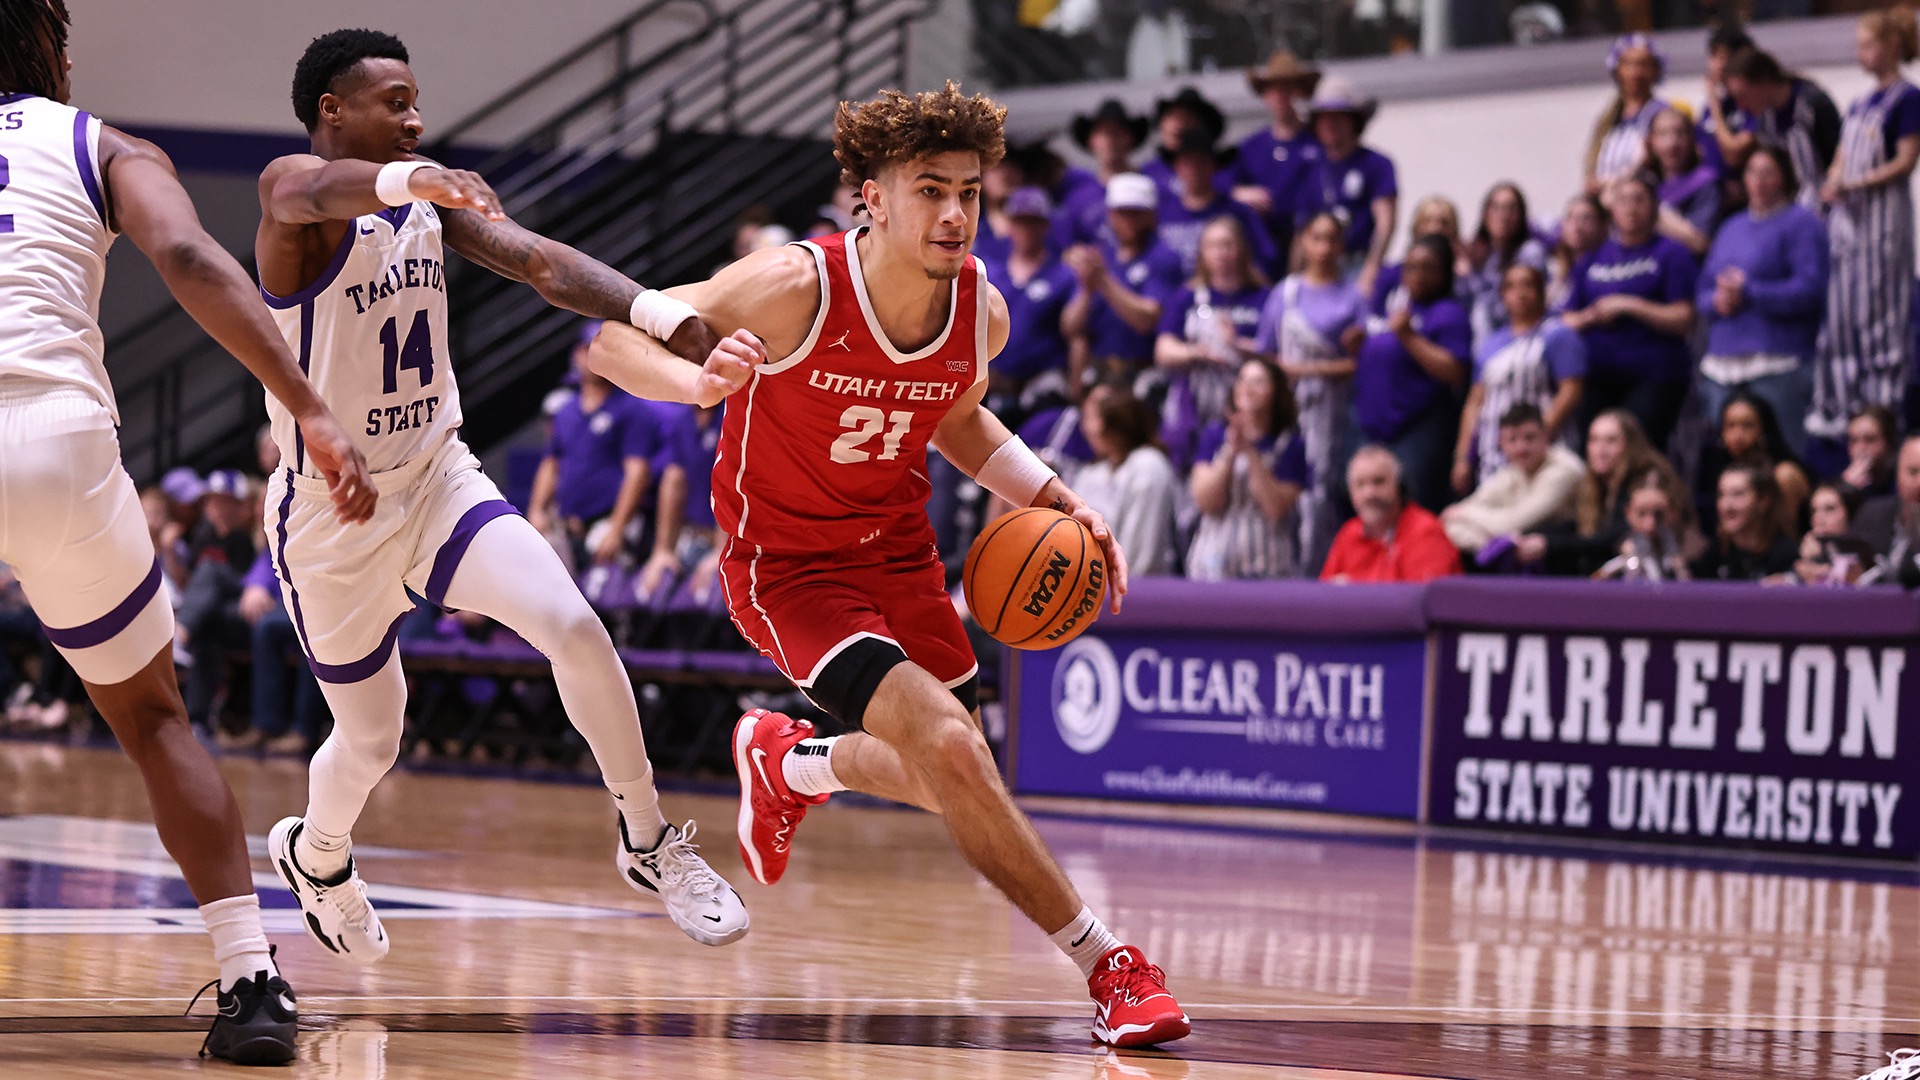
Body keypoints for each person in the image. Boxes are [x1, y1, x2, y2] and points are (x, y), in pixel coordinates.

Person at [588, 82, 1189, 1049]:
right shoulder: (790, 284)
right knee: (953, 754)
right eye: (929, 190)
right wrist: (694, 380)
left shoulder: (977, 312)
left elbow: (953, 417)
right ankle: (1109, 965)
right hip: (788, 568)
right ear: (871, 196)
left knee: (954, 766)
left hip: (900, 553)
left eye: (969, 192)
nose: (955, 214)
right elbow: (612, 341)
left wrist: (1049, 494)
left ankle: (792, 762)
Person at [253, 28, 753, 964]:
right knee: (372, 741)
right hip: (334, 514)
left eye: (415, 101)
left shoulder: (425, 209)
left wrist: (668, 320)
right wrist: (414, 181)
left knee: (572, 624)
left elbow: (538, 262)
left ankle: (647, 840)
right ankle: (317, 858)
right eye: (394, 101)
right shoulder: (295, 195)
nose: (416, 118)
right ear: (332, 109)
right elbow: (306, 189)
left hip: (437, 475)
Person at [0, 1, 383, 1062]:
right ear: (55, 53)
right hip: (57, 438)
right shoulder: (102, 144)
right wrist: (306, 402)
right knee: (155, 719)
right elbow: (190, 258)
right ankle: (252, 982)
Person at [1809, 9, 1920, 471]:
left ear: (1893, 46)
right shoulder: (1858, 103)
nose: (1863, 55)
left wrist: (1858, 184)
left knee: (1881, 319)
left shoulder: (1907, 98)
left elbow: (1905, 160)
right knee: (1843, 321)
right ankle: (1845, 419)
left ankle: (1884, 418)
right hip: (1849, 226)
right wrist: (1833, 183)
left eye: (1869, 46)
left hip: (1882, 223)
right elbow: (1838, 157)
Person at [1695, 144, 1829, 457]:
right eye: (1752, 172)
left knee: (1784, 455)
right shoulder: (1731, 227)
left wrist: (1751, 291)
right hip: (1723, 364)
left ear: (1784, 177)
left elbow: (1810, 290)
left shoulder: (1802, 223)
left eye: (1768, 172)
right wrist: (1718, 300)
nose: (1758, 180)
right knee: (1727, 461)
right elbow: (1701, 292)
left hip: (1777, 361)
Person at [1255, 212, 1366, 570]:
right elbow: (1267, 352)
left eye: (1331, 239)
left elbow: (1361, 362)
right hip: (1289, 405)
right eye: (1316, 238)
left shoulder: (1353, 297)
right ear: (1303, 241)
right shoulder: (1285, 292)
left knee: (1321, 490)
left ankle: (1317, 566)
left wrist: (1307, 369)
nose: (1323, 247)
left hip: (1332, 409)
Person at [1561, 174, 1698, 451]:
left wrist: (1630, 305)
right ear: (1612, 209)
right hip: (1598, 374)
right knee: (1594, 452)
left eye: (1640, 200)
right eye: (1623, 200)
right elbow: (1567, 319)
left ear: (1655, 207)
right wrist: (1591, 315)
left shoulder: (1672, 254)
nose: (1631, 208)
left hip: (1654, 374)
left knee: (1634, 450)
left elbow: (1684, 318)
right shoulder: (1593, 258)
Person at [527, 320, 664, 574]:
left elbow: (638, 473)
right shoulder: (566, 411)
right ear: (577, 354)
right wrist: (537, 510)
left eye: (606, 350)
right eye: (590, 348)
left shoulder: (631, 408)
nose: (596, 357)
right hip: (567, 527)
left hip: (609, 524)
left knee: (606, 603)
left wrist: (617, 528)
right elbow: (551, 464)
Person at [1351, 234, 1472, 512]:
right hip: (1372, 425)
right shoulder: (1391, 307)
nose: (1417, 274)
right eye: (1411, 266)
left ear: (1444, 272)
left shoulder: (1448, 313)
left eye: (1427, 267)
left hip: (1417, 427)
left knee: (1411, 507)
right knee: (1367, 510)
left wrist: (1409, 337)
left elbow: (1454, 371)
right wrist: (1357, 347)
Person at [1150, 215, 1270, 469]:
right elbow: (1164, 349)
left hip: (1248, 398)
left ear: (1242, 249)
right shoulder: (1188, 296)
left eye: (1228, 245)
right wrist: (1196, 352)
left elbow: (1275, 353)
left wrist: (1238, 345)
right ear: (1202, 253)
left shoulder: (1263, 296)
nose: (1221, 253)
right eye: (1213, 246)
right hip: (1196, 401)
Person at [1453, 265, 1586, 490]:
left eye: (1528, 286)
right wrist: (1463, 457)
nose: (1521, 293)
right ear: (1503, 295)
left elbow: (1571, 391)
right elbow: (1475, 403)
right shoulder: (1490, 344)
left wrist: (1537, 437)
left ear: (1542, 292)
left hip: (1546, 451)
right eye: (1512, 287)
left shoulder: (1558, 334)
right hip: (1493, 453)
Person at [1518, 409, 1686, 577]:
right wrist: (1536, 536)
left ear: (1631, 444)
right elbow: (1578, 527)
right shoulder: (1594, 484)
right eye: (1594, 440)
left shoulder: (1649, 481)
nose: (1601, 449)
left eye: (1611, 441)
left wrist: (1550, 544)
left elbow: (1617, 536)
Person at [1187, 358, 1310, 580]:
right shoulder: (1214, 435)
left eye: (1258, 382)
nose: (1247, 388)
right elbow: (1206, 501)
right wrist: (1232, 450)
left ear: (1275, 392)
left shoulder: (1290, 444)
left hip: (1268, 565)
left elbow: (1275, 508)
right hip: (1213, 563)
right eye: (1242, 380)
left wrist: (1250, 452)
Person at [1062, 172, 1184, 387]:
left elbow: (1147, 319)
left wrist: (1104, 281)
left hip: (1144, 372)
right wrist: (1086, 291)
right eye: (1121, 213)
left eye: (1135, 213)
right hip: (1100, 370)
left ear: (1151, 215)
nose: (1128, 221)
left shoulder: (1163, 257)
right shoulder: (1103, 255)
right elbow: (1071, 327)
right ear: (1110, 214)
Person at [1441, 403, 1584, 563]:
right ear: (1501, 444)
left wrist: (1464, 513)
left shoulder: (1565, 468)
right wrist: (1498, 544)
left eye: (1529, 437)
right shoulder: (1513, 471)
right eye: (1512, 439)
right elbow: (1449, 522)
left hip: (1568, 560)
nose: (1521, 448)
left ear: (1546, 436)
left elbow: (1511, 523)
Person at [1296, 76, 1396, 296]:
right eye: (1324, 118)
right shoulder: (1309, 166)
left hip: (1358, 264)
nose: (1330, 125)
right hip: (1318, 268)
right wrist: (1295, 276)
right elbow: (1301, 229)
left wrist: (1371, 269)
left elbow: (1385, 221)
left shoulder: (1376, 164)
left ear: (1354, 121)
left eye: (1338, 118)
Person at [1074, 384, 1181, 577]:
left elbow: (1143, 552)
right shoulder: (1091, 473)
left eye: (1092, 417)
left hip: (1140, 590)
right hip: (1094, 585)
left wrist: (1122, 584)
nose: (1087, 427)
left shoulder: (1148, 465)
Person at [990, 187, 1076, 422]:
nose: (1026, 230)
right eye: (1020, 222)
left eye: (1033, 222)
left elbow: (1075, 330)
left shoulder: (1063, 275)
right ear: (1009, 225)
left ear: (1046, 225)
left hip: (1043, 382)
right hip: (995, 380)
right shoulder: (991, 274)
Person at [1227, 50, 1323, 262]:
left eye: (1288, 89)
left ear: (1300, 92)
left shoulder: (1318, 142)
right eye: (1274, 90)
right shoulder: (1251, 147)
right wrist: (1240, 192)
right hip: (1262, 248)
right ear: (1266, 95)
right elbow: (1219, 182)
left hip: (1311, 248)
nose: (1281, 96)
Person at [1722, 47, 1842, 210]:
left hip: (1825, 204)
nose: (1741, 105)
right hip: (1788, 208)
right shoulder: (1765, 119)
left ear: (1763, 82)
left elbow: (1838, 154)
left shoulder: (1810, 104)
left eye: (1743, 96)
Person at [1321, 446, 1462, 582]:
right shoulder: (1348, 534)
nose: (1369, 493)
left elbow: (1422, 600)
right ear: (1350, 493)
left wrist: (1352, 587)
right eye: (1360, 484)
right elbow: (1323, 595)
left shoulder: (1425, 531)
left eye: (1379, 481)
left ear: (1399, 486)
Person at [1155, 128, 1277, 279]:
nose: (1194, 169)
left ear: (1214, 166)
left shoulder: (1238, 212)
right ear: (1177, 167)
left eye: (1201, 162)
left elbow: (1264, 260)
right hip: (1175, 296)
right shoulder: (1162, 212)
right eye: (1187, 162)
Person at [1695, 390, 1811, 537]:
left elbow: (1788, 538)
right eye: (1730, 426)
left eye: (1747, 426)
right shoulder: (1723, 472)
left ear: (1764, 430)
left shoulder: (1784, 475)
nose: (1737, 435)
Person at [1464, 181, 1549, 345]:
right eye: (1496, 207)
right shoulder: (1483, 254)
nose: (1503, 215)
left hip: (1521, 341)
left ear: (1521, 215)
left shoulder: (1531, 253)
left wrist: (1473, 276)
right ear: (1485, 214)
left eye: (1511, 208)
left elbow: (1510, 307)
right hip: (1482, 345)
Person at [1585, 34, 1670, 191]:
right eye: (1629, 64)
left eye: (1644, 65)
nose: (1636, 73)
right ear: (1618, 71)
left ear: (1656, 70)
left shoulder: (1662, 114)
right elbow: (1591, 169)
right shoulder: (1607, 120)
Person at [1059, 98, 1148, 246]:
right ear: (1091, 141)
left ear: (1130, 138)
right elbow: (1068, 246)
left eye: (1117, 133)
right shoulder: (1076, 200)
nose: (1111, 140)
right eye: (1103, 133)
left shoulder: (1150, 189)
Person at [1691, 463, 1797, 580]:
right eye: (1721, 494)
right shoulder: (1714, 556)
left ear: (1763, 501)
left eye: (1737, 494)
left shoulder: (1789, 558)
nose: (1727, 506)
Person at [1592, 466, 1694, 581]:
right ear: (1628, 513)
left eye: (1659, 515)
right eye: (1641, 514)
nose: (1650, 524)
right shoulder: (1615, 558)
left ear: (1674, 512)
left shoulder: (1695, 558)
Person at [1646, 106, 1721, 256]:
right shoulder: (1647, 183)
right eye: (1662, 134)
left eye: (1679, 133)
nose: (1671, 144)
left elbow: (1700, 242)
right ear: (1651, 141)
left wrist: (1651, 214)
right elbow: (1608, 199)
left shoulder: (1705, 182)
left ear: (1691, 139)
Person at [1142, 85, 1227, 199]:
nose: (1178, 125)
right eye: (1172, 116)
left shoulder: (1221, 171)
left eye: (1187, 118)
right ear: (1160, 123)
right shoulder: (1147, 174)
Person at [1546, 193, 1608, 312]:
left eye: (1586, 218)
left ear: (1603, 226)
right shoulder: (1552, 266)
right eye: (1570, 218)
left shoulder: (1607, 268)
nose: (1577, 226)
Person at [1839, 403, 1898, 497]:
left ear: (1890, 443)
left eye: (1870, 439)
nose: (1860, 448)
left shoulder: (1901, 482)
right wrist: (1846, 489)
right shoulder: (1844, 482)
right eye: (1854, 441)